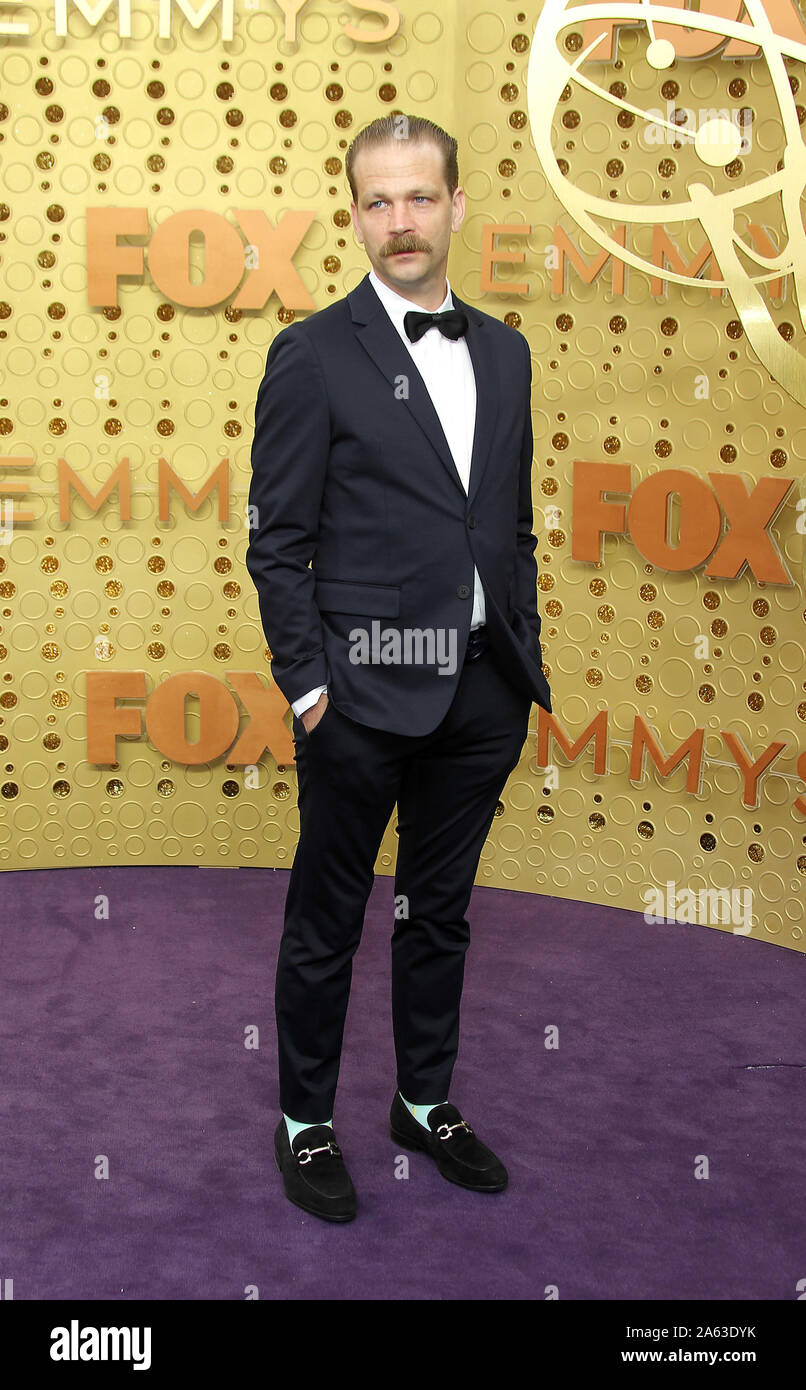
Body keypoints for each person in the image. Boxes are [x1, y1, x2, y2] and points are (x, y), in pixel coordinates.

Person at [245, 113, 552, 1223]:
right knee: (326, 919)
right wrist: (311, 688)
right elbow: (276, 539)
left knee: (441, 910)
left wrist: (515, 651)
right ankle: (304, 1120)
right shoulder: (314, 353)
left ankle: (421, 1100)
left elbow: (507, 525)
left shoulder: (508, 353)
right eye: (376, 201)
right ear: (356, 215)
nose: (399, 222)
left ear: (456, 205)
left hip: (479, 690)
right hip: (360, 690)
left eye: (418, 197)